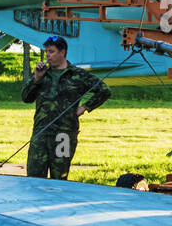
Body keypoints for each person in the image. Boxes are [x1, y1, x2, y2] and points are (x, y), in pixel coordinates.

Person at [21, 36, 111, 180]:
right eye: (46, 52)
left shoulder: (78, 75)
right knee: (34, 177)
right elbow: (26, 98)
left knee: (59, 178)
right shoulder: (43, 74)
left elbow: (104, 90)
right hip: (41, 132)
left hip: (64, 135)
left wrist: (85, 107)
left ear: (62, 52)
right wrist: (36, 79)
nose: (47, 56)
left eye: (51, 51)